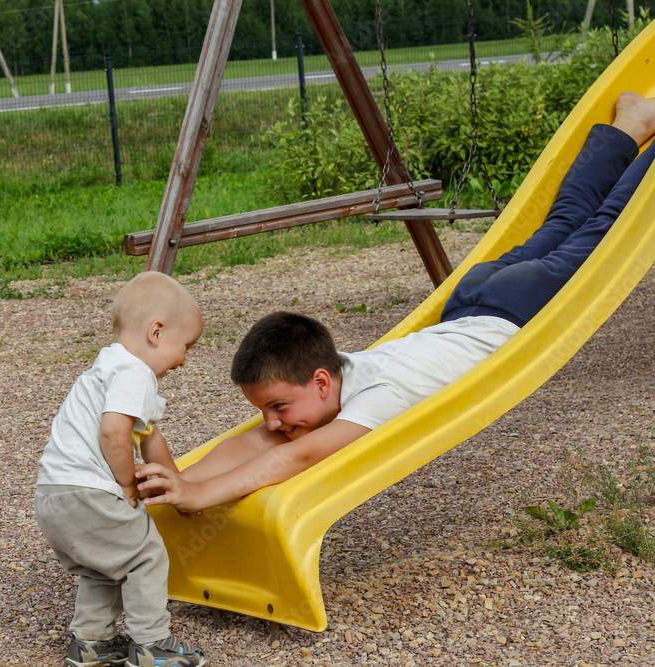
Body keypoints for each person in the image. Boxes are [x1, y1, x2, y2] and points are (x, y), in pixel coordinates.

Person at [135, 91, 655, 515]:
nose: (272, 424)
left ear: (321, 381)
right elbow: (253, 445)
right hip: (474, 299)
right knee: (570, 224)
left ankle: (640, 132)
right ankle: (629, 125)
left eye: (276, 407)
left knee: (603, 228)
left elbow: (298, 455)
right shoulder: (335, 381)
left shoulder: (374, 399)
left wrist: (199, 493)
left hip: (505, 309)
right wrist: (176, 482)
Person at [35, 271, 208, 667]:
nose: (184, 359)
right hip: (91, 492)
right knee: (145, 556)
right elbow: (115, 434)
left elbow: (150, 437)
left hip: (53, 495)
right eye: (187, 345)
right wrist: (128, 483)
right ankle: (153, 646)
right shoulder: (135, 373)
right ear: (157, 332)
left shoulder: (107, 367)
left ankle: (91, 643)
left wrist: (178, 488)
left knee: (103, 566)